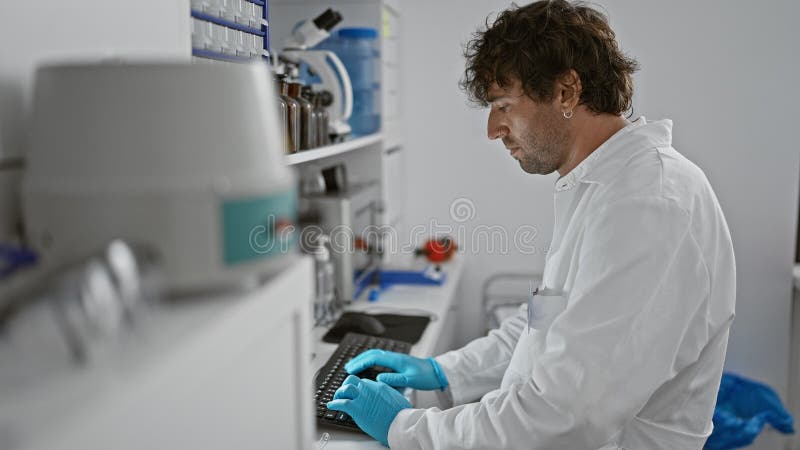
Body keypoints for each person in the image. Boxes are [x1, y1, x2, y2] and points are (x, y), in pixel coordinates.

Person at [326, 1, 736, 448]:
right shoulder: (600, 187)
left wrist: (407, 429)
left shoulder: (649, 203)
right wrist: (446, 371)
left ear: (566, 91)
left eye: (503, 104)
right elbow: (546, 327)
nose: (492, 129)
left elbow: (568, 414)